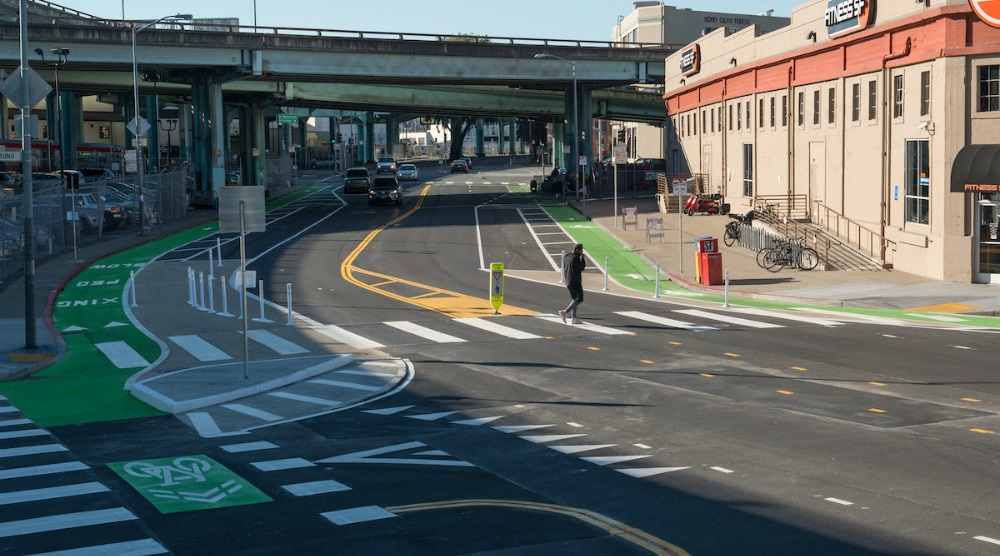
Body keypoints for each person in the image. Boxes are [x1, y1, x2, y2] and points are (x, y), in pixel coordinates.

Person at [559, 243, 586, 324]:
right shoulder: (576, 258)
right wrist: (583, 259)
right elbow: (582, 268)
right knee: (579, 299)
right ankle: (565, 312)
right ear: (577, 250)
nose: (582, 252)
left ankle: (574, 318)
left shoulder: (566, 256)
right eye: (581, 250)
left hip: (567, 281)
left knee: (574, 299)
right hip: (575, 282)